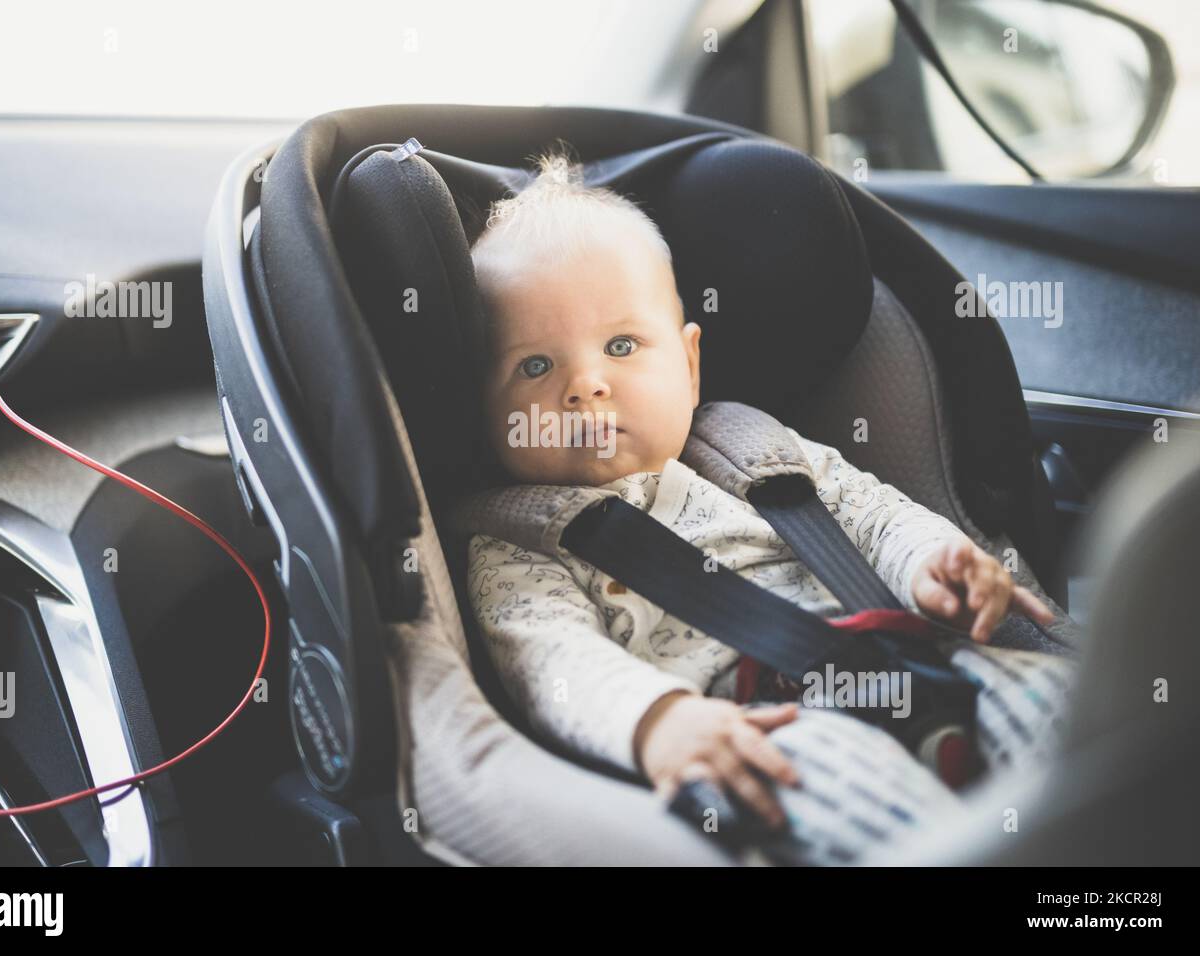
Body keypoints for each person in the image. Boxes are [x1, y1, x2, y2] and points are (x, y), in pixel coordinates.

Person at [459, 150, 1076, 864]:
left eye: (622, 345)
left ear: (689, 366)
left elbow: (872, 514)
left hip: (910, 653)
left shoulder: (753, 449)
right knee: (877, 811)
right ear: (483, 407)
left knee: (1072, 715)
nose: (587, 384)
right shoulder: (514, 543)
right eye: (536, 365)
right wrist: (658, 723)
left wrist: (930, 561)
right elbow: (551, 662)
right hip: (760, 722)